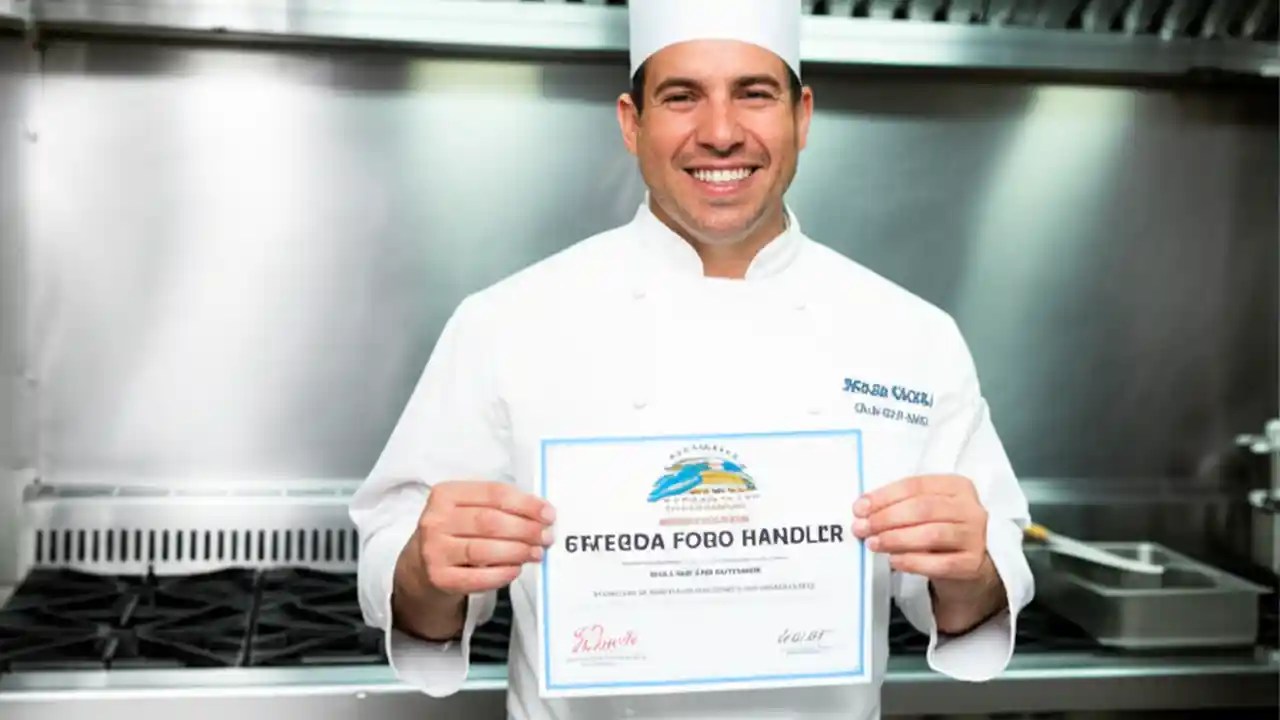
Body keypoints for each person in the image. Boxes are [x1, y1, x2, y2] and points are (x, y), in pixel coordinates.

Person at [349, 0, 1035, 718]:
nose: (720, 133)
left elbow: (976, 605)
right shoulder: (506, 324)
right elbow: (408, 585)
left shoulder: (911, 336)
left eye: (754, 93)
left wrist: (972, 565)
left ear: (802, 116)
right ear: (631, 122)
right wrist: (426, 570)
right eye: (682, 97)